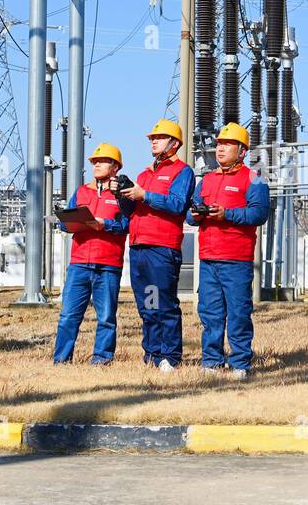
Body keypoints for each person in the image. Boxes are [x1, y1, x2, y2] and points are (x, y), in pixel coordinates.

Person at [188, 123, 270, 378]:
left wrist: (227, 214)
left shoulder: (254, 179)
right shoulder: (208, 179)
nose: (220, 148)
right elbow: (191, 218)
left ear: (242, 151)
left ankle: (240, 363)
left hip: (236, 258)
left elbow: (259, 213)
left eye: (226, 144)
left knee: (238, 312)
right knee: (210, 312)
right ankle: (211, 361)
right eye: (219, 144)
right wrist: (196, 214)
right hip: (209, 258)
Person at [120, 120, 194, 372]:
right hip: (140, 247)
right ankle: (152, 354)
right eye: (152, 138)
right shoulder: (144, 174)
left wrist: (145, 195)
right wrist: (123, 195)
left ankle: (171, 357)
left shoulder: (182, 172)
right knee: (148, 305)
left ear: (174, 144)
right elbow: (132, 210)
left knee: (164, 303)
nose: (153, 141)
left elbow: (177, 204)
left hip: (162, 248)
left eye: (160, 138)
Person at [52, 143, 134, 365]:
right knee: (68, 316)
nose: (96, 164)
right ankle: (61, 360)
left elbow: (128, 224)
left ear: (115, 167)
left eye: (102, 161)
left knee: (106, 317)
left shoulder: (123, 197)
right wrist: (67, 224)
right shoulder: (81, 192)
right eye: (94, 162)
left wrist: (104, 224)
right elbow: (64, 222)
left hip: (107, 265)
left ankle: (101, 360)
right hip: (79, 263)